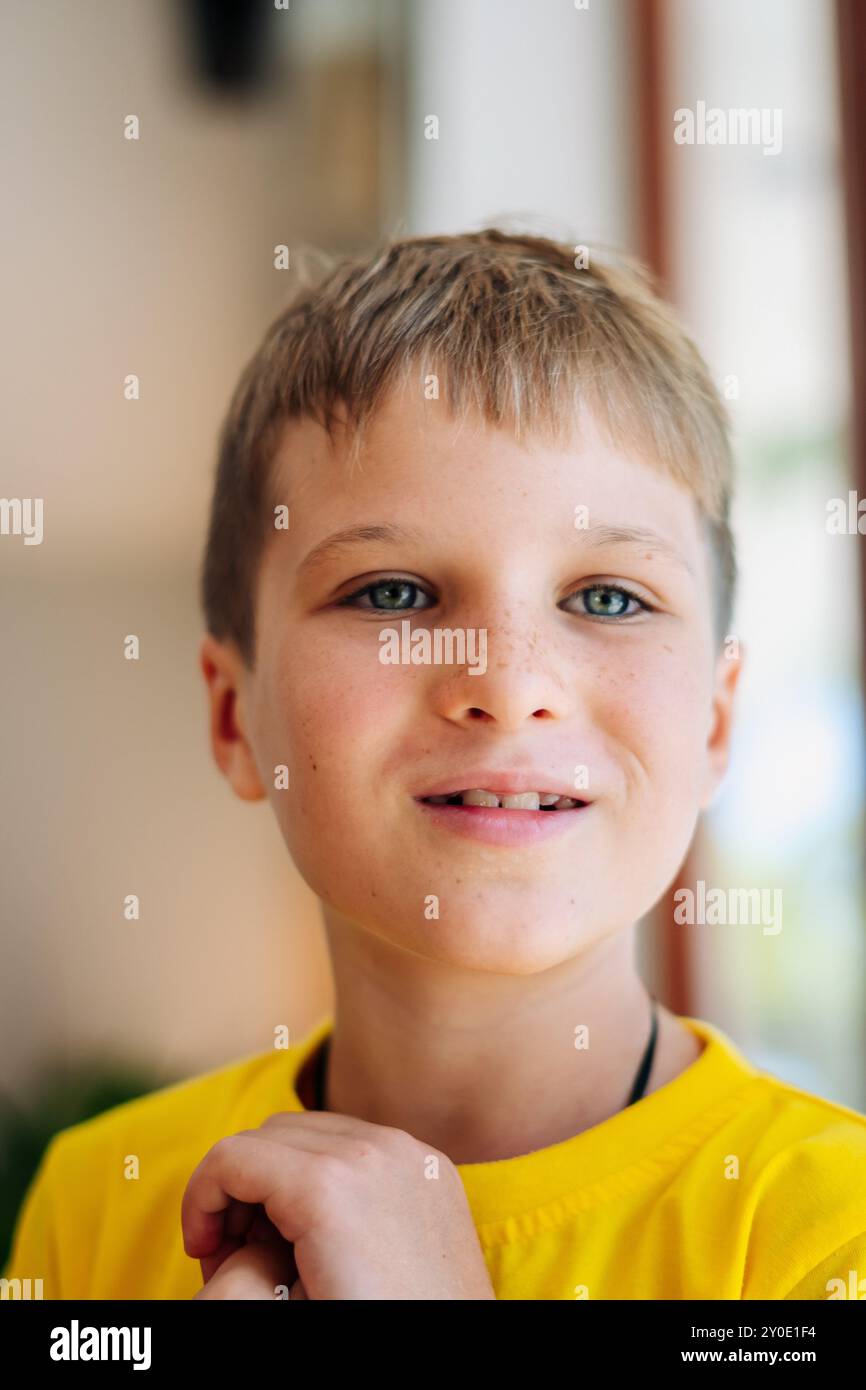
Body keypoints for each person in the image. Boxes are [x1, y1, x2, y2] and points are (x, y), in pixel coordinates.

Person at [5, 229, 866, 1300]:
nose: (504, 683)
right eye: (392, 593)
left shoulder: (830, 1241)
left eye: (605, 597)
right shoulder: (97, 1205)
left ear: (712, 727)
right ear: (235, 716)